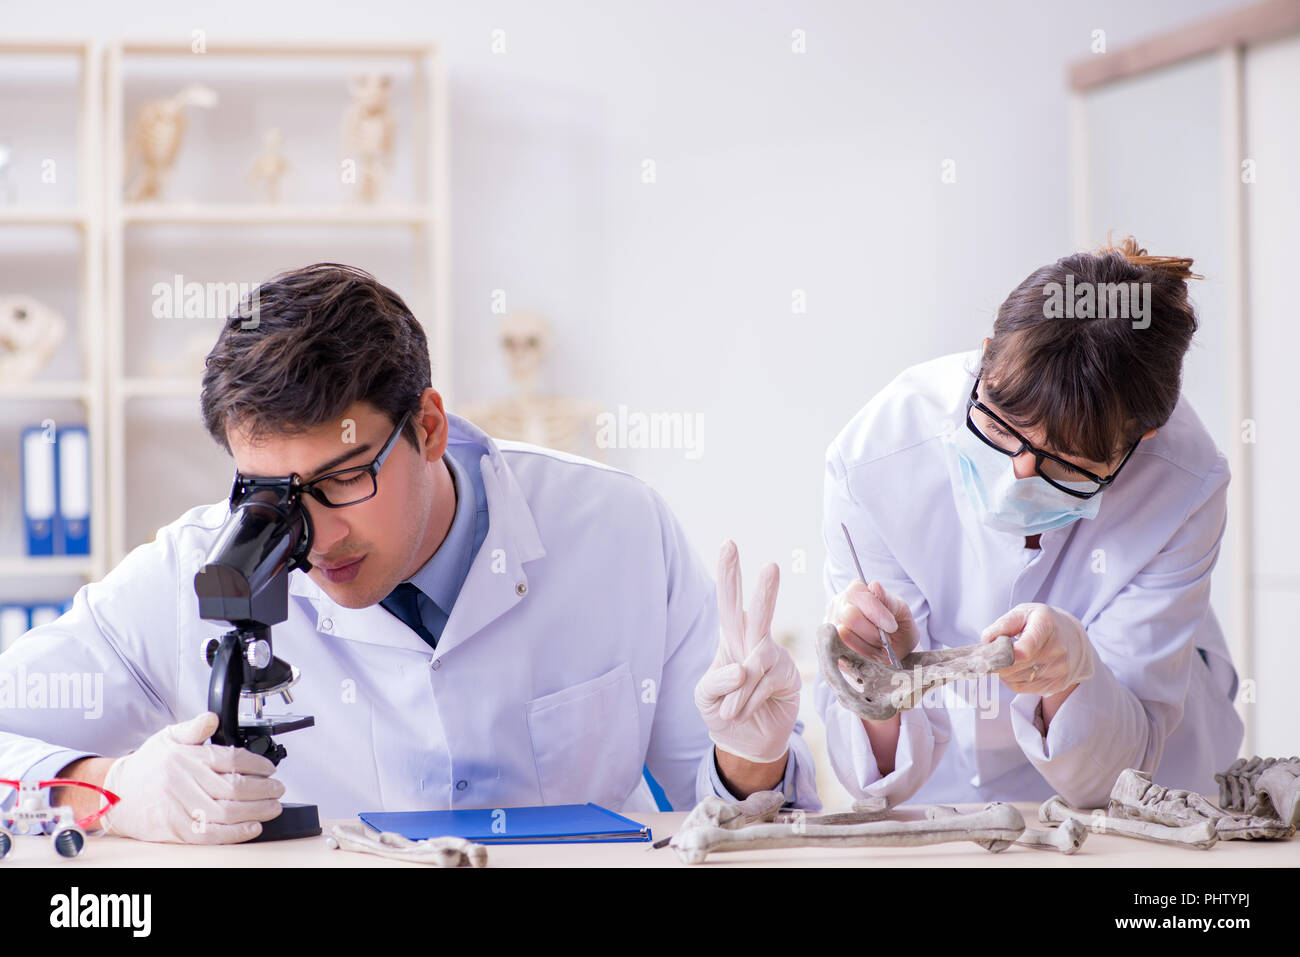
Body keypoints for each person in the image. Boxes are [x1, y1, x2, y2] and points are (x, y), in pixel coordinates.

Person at [0, 263, 818, 844]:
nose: (311, 536)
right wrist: (105, 787)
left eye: (344, 478)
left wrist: (754, 760)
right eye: (268, 496)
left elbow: (734, 833)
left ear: (428, 426)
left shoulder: (619, 532)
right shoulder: (189, 574)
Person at [818, 237, 1243, 811]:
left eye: (1066, 463)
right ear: (987, 355)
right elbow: (878, 774)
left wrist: (1074, 676)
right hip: (953, 791)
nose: (1018, 476)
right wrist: (876, 671)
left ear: (1141, 440)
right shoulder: (877, 458)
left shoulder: (1183, 481)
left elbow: (1120, 767)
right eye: (998, 427)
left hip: (1145, 795)